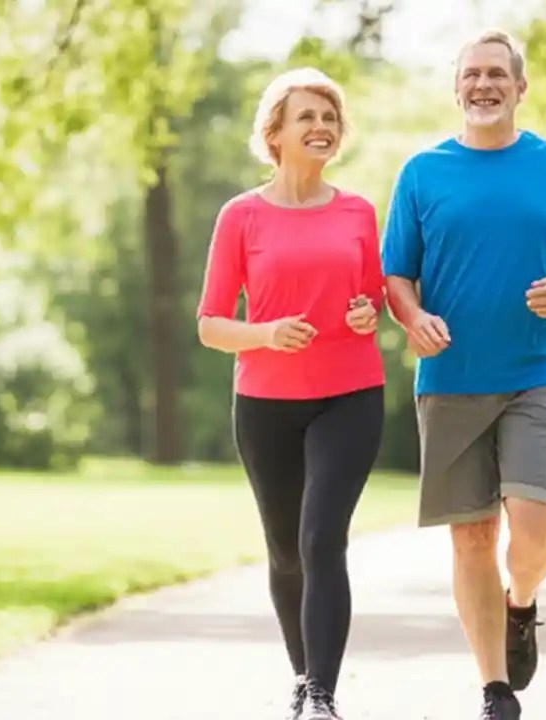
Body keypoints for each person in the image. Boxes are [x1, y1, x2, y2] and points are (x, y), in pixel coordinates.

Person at [380, 29, 546, 720]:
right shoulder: (422, 172)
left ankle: (523, 601)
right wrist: (413, 317)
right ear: (457, 88)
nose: (483, 85)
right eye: (472, 75)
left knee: (534, 531)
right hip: (450, 376)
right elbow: (396, 277)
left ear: (520, 87)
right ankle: (494, 689)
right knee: (472, 536)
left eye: (496, 74)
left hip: (541, 370)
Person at [195, 67, 385, 720]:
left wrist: (366, 314)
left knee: (321, 539)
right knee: (284, 549)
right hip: (266, 403)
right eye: (307, 116)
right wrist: (267, 334)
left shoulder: (358, 212)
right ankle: (304, 675)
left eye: (330, 118)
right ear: (274, 133)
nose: (321, 127)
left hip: (349, 395)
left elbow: (372, 299)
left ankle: (322, 696)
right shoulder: (240, 216)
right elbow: (210, 324)